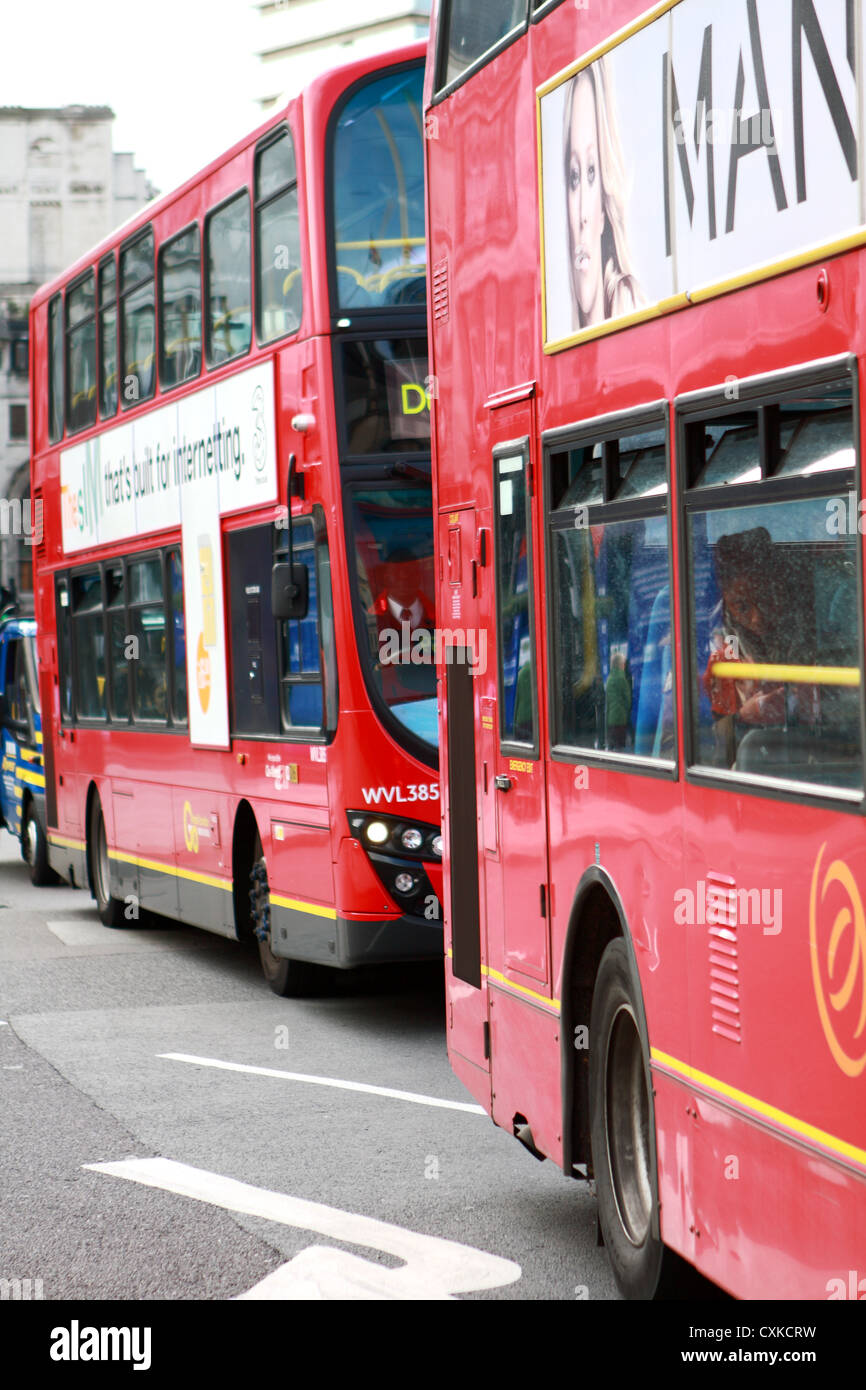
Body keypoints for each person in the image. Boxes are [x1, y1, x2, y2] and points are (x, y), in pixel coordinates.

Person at [563, 60, 644, 330]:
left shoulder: (626, 302)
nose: (583, 215)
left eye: (591, 173)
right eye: (574, 177)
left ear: (603, 212)